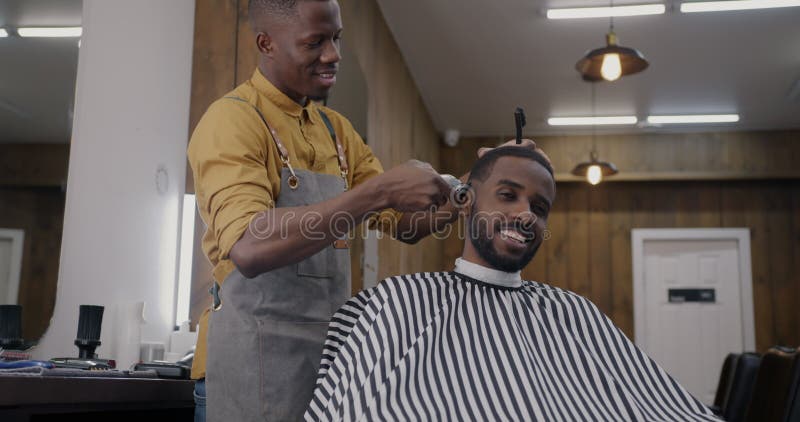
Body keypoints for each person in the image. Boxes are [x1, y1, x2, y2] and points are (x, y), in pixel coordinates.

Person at [187, 0, 539, 420]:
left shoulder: (336, 132)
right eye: (315, 42)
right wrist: (380, 191)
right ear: (267, 43)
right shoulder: (233, 120)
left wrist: (481, 180)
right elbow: (250, 244)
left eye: (336, 39)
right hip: (248, 365)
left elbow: (407, 223)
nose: (333, 54)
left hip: (327, 369)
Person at [305, 147, 720, 421]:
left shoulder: (571, 312)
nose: (526, 215)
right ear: (466, 201)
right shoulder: (397, 303)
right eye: (508, 195)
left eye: (539, 207)